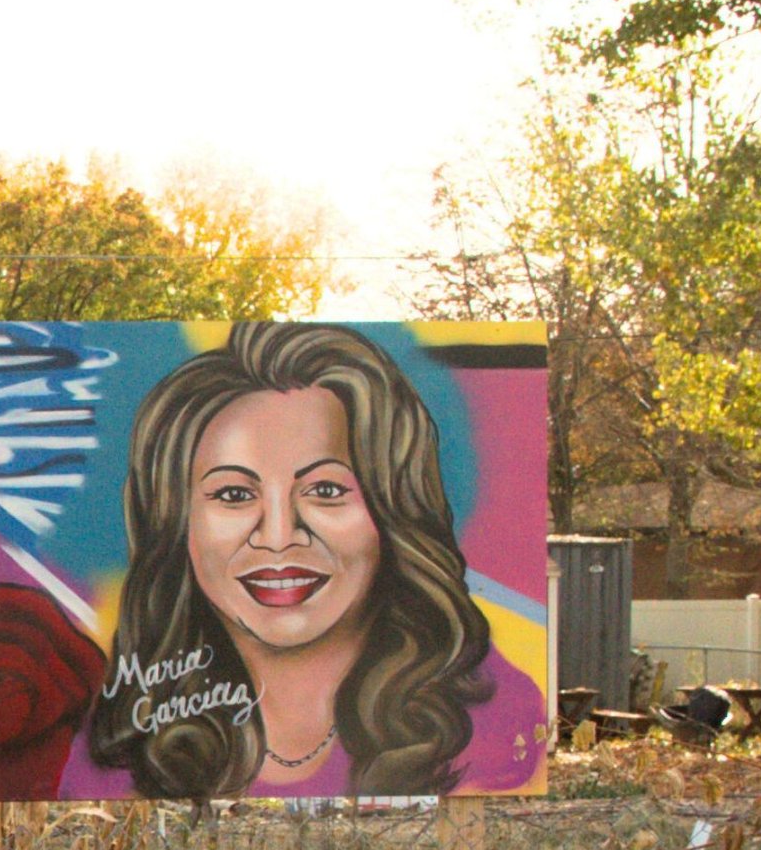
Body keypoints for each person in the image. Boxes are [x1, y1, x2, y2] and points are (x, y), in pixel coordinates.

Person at [86, 320, 540, 799]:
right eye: (234, 494)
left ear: (392, 511)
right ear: (176, 524)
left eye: (325, 490)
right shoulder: (112, 746)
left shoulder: (498, 729)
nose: (279, 537)